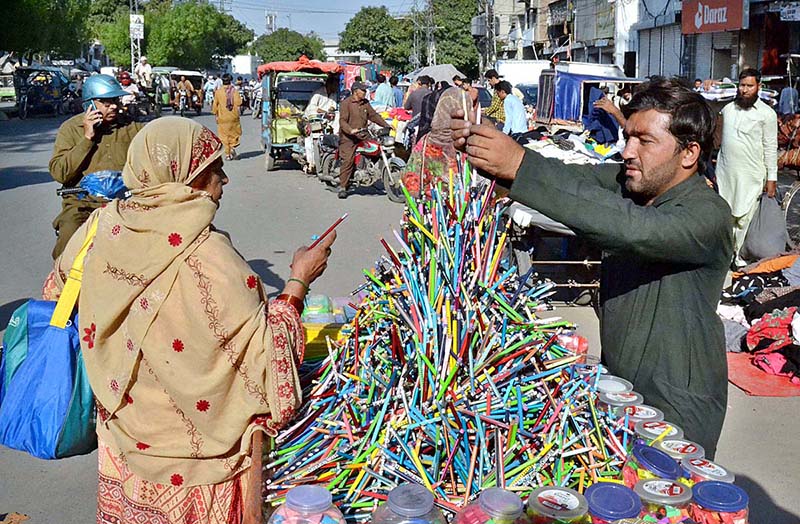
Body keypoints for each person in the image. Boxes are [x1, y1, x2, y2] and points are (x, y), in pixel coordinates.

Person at [42, 116, 335, 524]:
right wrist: (298, 282)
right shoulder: (210, 257)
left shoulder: (101, 225)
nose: (225, 181)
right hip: (198, 469)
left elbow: (55, 293)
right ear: (188, 179)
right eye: (215, 170)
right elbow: (267, 367)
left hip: (124, 443)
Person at [451, 79, 733, 457]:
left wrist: (519, 164)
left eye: (644, 141)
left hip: (677, 404)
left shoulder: (707, 215)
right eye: (627, 136)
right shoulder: (631, 184)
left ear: (688, 153)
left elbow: (632, 229)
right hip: (620, 389)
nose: (628, 151)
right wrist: (491, 159)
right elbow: (568, 181)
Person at [48, 74, 143, 259]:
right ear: (89, 104)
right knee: (69, 239)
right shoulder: (70, 129)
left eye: (115, 100)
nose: (114, 106)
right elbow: (60, 173)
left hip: (126, 203)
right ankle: (65, 285)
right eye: (106, 102)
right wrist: (87, 138)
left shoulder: (133, 128)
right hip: (83, 204)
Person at [716, 68, 778, 267]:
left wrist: (772, 178)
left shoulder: (767, 114)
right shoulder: (727, 109)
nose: (744, 90)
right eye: (742, 85)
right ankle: (725, 255)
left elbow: (770, 147)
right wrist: (710, 83)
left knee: (744, 218)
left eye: (749, 86)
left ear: (758, 87)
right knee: (726, 215)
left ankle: (739, 258)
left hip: (751, 174)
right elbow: (706, 101)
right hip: (726, 173)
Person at [402, 84, 477, 197]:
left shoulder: (426, 141)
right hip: (464, 206)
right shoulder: (472, 143)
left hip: (430, 205)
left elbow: (410, 178)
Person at [337, 81, 391, 199]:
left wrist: (387, 125)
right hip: (348, 137)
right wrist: (350, 130)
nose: (365, 92)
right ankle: (342, 186)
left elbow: (374, 116)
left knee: (376, 148)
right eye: (363, 90)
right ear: (356, 91)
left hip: (363, 134)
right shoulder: (346, 103)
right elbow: (342, 121)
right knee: (348, 160)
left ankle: (369, 171)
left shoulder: (365, 103)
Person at [212, 73, 242, 160]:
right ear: (230, 80)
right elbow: (239, 103)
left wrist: (215, 114)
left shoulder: (218, 92)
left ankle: (227, 154)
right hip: (233, 117)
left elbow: (215, 105)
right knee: (234, 134)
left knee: (223, 136)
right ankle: (232, 147)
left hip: (222, 117)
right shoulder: (235, 91)